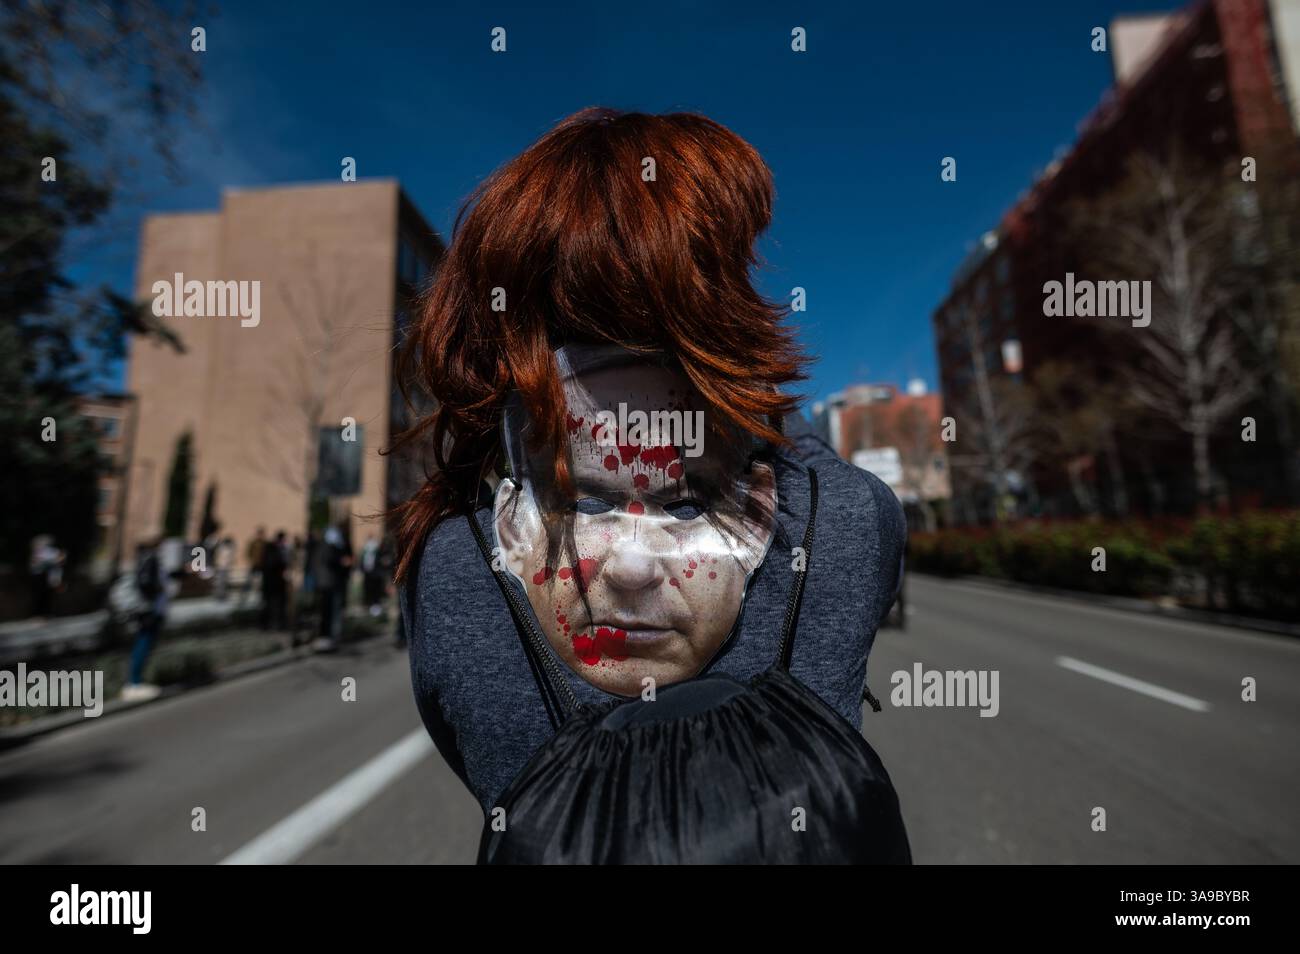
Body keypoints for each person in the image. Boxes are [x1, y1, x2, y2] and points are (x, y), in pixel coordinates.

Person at [392, 109, 908, 860]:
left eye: (686, 503)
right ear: (507, 523)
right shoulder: (841, 520)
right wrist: (738, 378)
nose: (631, 569)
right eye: (584, 500)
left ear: (763, 510)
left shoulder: (453, 564)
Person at [123, 536, 169, 701]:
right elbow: (146, 583)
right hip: (149, 609)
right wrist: (159, 588)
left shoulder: (143, 557)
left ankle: (136, 681)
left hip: (147, 608)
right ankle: (134, 683)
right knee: (144, 643)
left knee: (143, 642)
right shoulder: (151, 558)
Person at [312, 525, 352, 651]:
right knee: (331, 612)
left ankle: (327, 637)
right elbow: (332, 561)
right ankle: (330, 638)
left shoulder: (321, 546)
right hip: (331, 583)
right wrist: (342, 562)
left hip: (324, 583)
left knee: (327, 612)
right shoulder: (330, 547)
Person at [27, 534, 64, 619]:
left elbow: (59, 563)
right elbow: (34, 565)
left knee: (49, 597)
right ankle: (38, 614)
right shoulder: (37, 552)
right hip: (39, 577)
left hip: (49, 578)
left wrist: (58, 579)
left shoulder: (52, 552)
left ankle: (47, 614)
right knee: (39, 596)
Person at [260, 530, 289, 630]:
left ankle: (267, 624)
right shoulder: (276, 552)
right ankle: (276, 624)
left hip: (269, 583)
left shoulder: (269, 551)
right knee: (275, 605)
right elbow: (277, 565)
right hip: (275, 583)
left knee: (269, 604)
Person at [213, 536, 235, 601]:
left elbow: (230, 558)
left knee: (224, 582)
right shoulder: (221, 548)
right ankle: (219, 595)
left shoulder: (230, 549)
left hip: (226, 567)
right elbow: (218, 557)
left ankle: (223, 595)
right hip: (221, 567)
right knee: (220, 582)